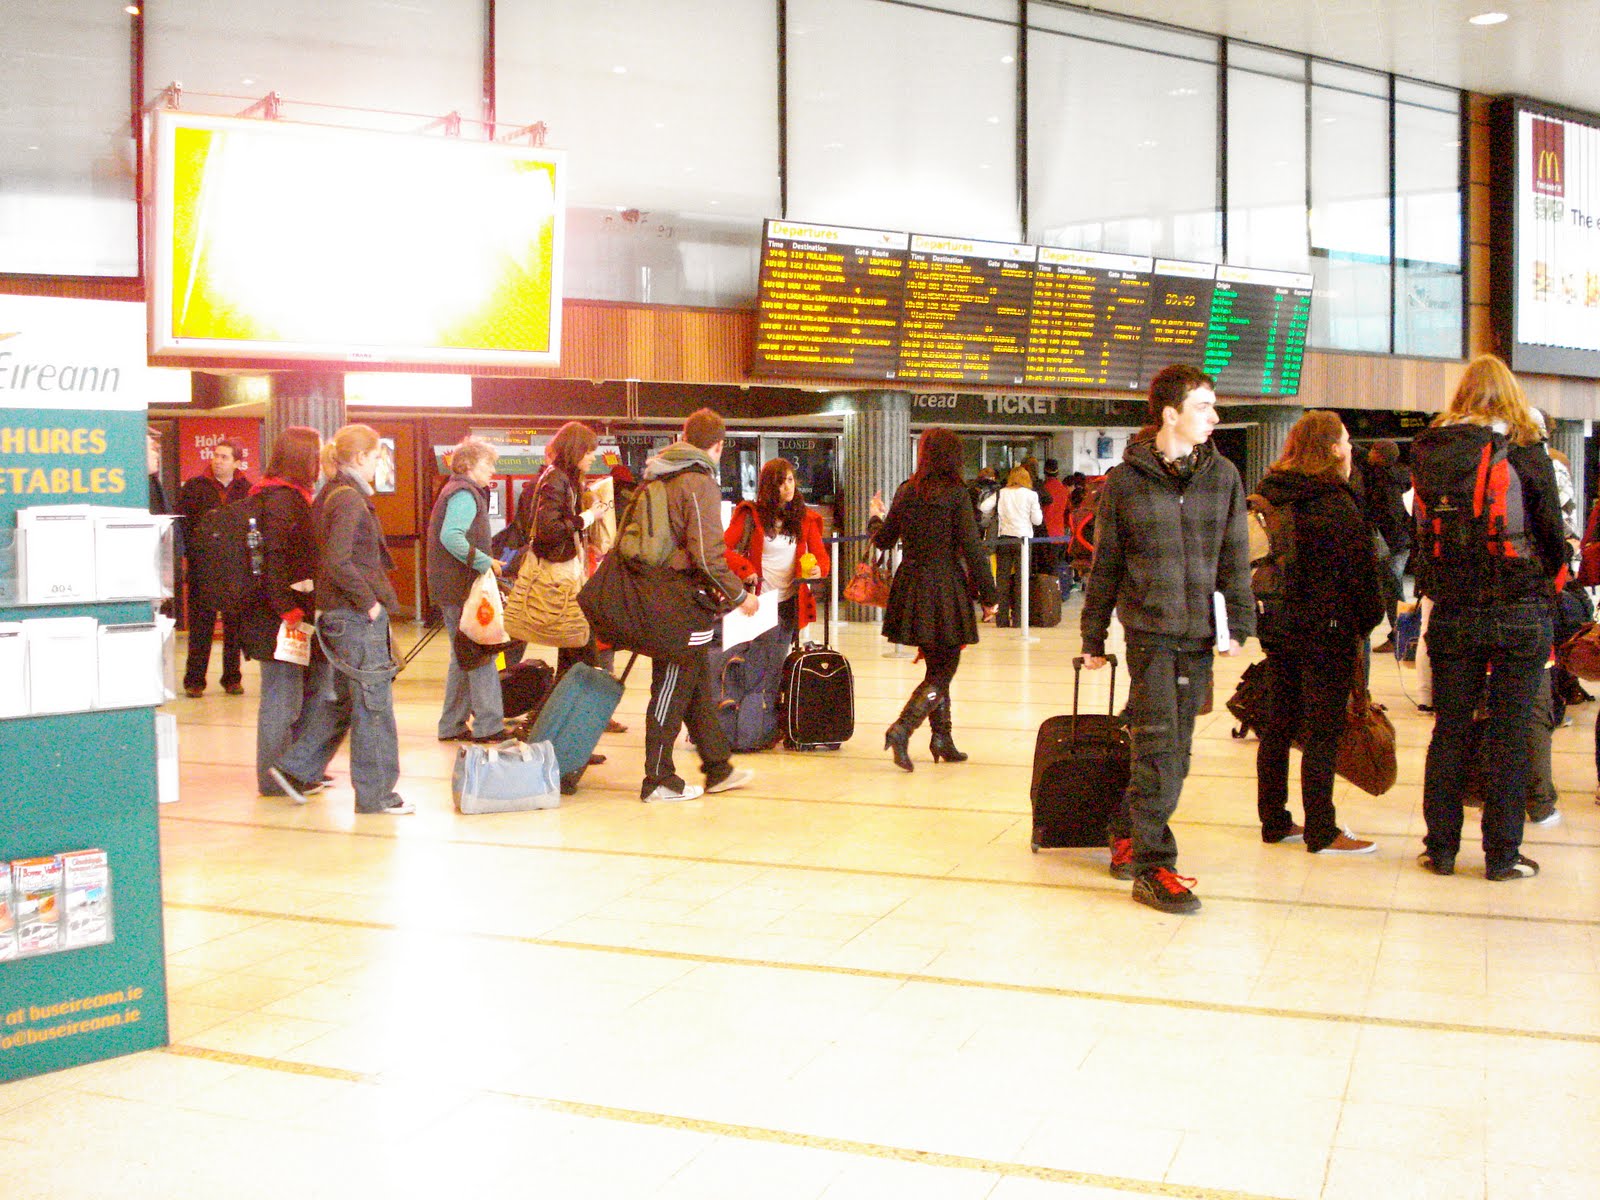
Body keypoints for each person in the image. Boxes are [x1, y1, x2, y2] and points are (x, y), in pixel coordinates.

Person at [1081, 364, 1253, 915]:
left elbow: (1235, 557)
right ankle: (1155, 867)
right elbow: (1105, 565)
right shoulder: (1126, 482)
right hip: (1150, 634)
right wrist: (1093, 636)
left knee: (1175, 753)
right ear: (1170, 414)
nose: (1215, 417)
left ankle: (1125, 827)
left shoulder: (1223, 475)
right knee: (1159, 747)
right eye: (1204, 406)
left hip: (1199, 635)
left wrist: (1240, 624)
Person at [1411, 355, 1566, 880]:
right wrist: (1547, 574)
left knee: (1449, 728)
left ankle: (1441, 850)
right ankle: (1501, 856)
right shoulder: (1525, 449)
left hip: (1453, 611)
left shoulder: (1432, 452)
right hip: (1519, 610)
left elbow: (1420, 537)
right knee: (1510, 732)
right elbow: (1548, 528)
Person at [1253, 412, 1384, 854]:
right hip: (1326, 630)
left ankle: (1274, 820)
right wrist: (1364, 625)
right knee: (1322, 731)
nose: (1350, 448)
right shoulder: (1334, 501)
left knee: (1277, 724)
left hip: (1277, 623)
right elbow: (1364, 577)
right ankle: (1321, 830)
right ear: (1331, 449)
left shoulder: (1272, 495)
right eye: (1345, 440)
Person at [269, 424, 413, 815]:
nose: (377, 465)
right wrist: (370, 604)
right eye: (376, 457)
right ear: (362, 457)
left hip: (335, 614)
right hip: (353, 616)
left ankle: (297, 768)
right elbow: (338, 559)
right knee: (373, 705)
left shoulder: (329, 494)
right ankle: (377, 794)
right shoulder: (349, 498)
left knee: (346, 700)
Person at [638, 408, 760, 803]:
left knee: (693, 686)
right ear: (719, 445)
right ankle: (657, 779)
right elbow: (707, 555)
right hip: (680, 600)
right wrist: (741, 596)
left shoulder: (661, 473)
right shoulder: (699, 481)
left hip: (660, 594)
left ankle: (718, 768)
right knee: (672, 687)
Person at [869, 427, 999, 771]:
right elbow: (973, 549)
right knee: (944, 668)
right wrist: (991, 597)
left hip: (911, 584)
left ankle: (943, 738)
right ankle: (902, 728)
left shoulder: (907, 491)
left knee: (936, 664)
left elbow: (882, 540)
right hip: (943, 585)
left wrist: (874, 516)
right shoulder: (957, 494)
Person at [238, 427, 324, 798]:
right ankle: (274, 778)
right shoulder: (283, 501)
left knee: (290, 692)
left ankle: (293, 769)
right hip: (278, 616)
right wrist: (287, 608)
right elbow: (275, 561)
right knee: (281, 696)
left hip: (270, 612)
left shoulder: (270, 495)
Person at [428, 437, 506, 744]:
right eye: (488, 464)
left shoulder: (457, 490)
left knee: (462, 656)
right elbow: (452, 536)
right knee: (479, 652)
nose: (492, 471)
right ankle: (490, 725)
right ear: (469, 465)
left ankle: (452, 724)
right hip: (461, 587)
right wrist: (486, 562)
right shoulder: (464, 493)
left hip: (451, 586)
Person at [523, 421, 609, 681]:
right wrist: (587, 518)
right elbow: (549, 529)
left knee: (575, 646)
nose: (593, 457)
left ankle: (563, 712)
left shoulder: (564, 478)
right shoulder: (557, 479)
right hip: (560, 575)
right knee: (582, 642)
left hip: (567, 572)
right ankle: (589, 714)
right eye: (589, 452)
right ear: (576, 450)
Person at [724, 458, 832, 640]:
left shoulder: (805, 518)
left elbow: (822, 558)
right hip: (759, 599)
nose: (788, 487)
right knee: (758, 659)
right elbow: (720, 549)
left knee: (782, 656)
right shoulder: (751, 514)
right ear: (770, 487)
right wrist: (744, 568)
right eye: (780, 483)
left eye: (790, 480)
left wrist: (819, 569)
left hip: (791, 600)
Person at [177, 437, 251, 696]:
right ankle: (194, 681)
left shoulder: (247, 490)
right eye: (215, 455)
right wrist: (188, 556)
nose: (217, 461)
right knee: (201, 626)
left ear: (237, 462)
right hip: (203, 567)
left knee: (235, 627)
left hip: (235, 569)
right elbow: (182, 526)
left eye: (224, 457)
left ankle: (232, 678)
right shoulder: (195, 487)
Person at [1364, 441, 1412, 652]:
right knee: (1392, 587)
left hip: (1392, 542)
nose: (1370, 453)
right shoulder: (1400, 475)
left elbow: (1391, 514)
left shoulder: (1384, 480)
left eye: (1373, 450)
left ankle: (1402, 638)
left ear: (1380, 455)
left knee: (1392, 589)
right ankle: (1402, 637)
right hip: (1401, 541)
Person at [994, 466, 1043, 626]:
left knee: (1002, 580)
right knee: (1022, 580)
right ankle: (1019, 619)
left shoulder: (1002, 492)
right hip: (1023, 540)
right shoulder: (1031, 495)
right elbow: (1037, 521)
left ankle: (1001, 619)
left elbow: (984, 507)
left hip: (1004, 539)